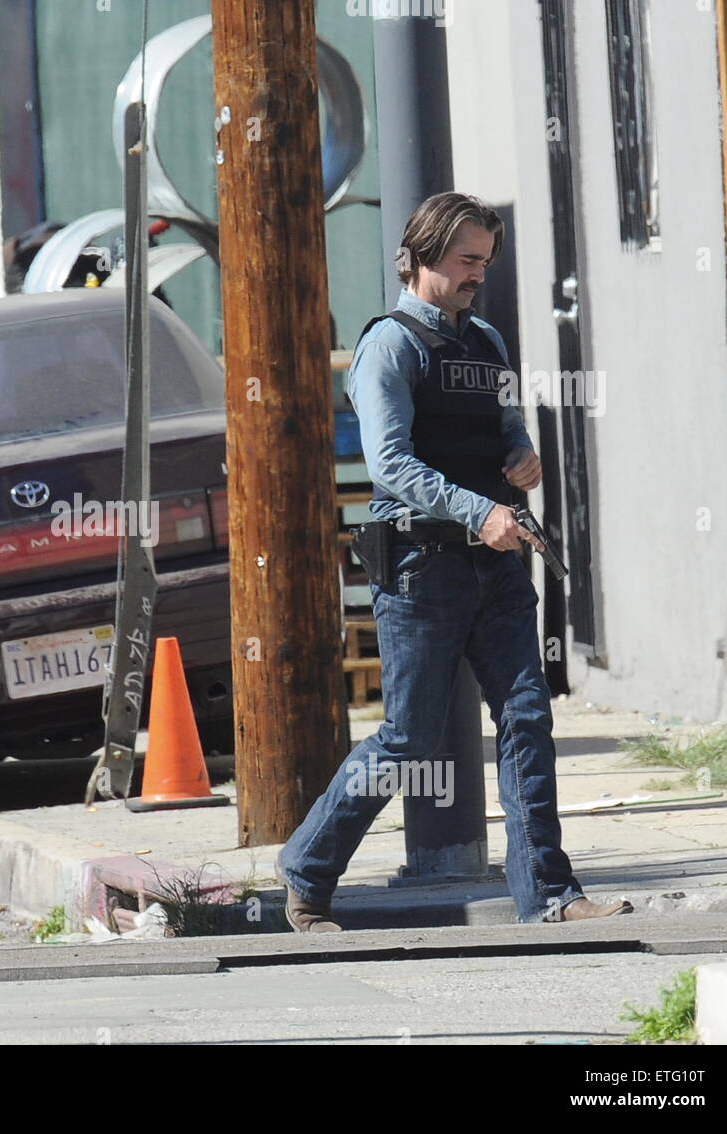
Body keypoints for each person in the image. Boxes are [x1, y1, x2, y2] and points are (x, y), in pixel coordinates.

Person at [276, 193, 631, 930]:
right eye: (468, 259)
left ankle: (550, 897)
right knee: (409, 736)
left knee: (527, 718)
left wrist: (521, 458)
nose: (478, 274)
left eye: (486, 261)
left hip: (498, 562)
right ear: (424, 254)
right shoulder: (389, 347)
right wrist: (481, 510)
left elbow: (504, 429)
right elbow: (392, 464)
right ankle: (307, 874)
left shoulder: (487, 342)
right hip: (421, 567)